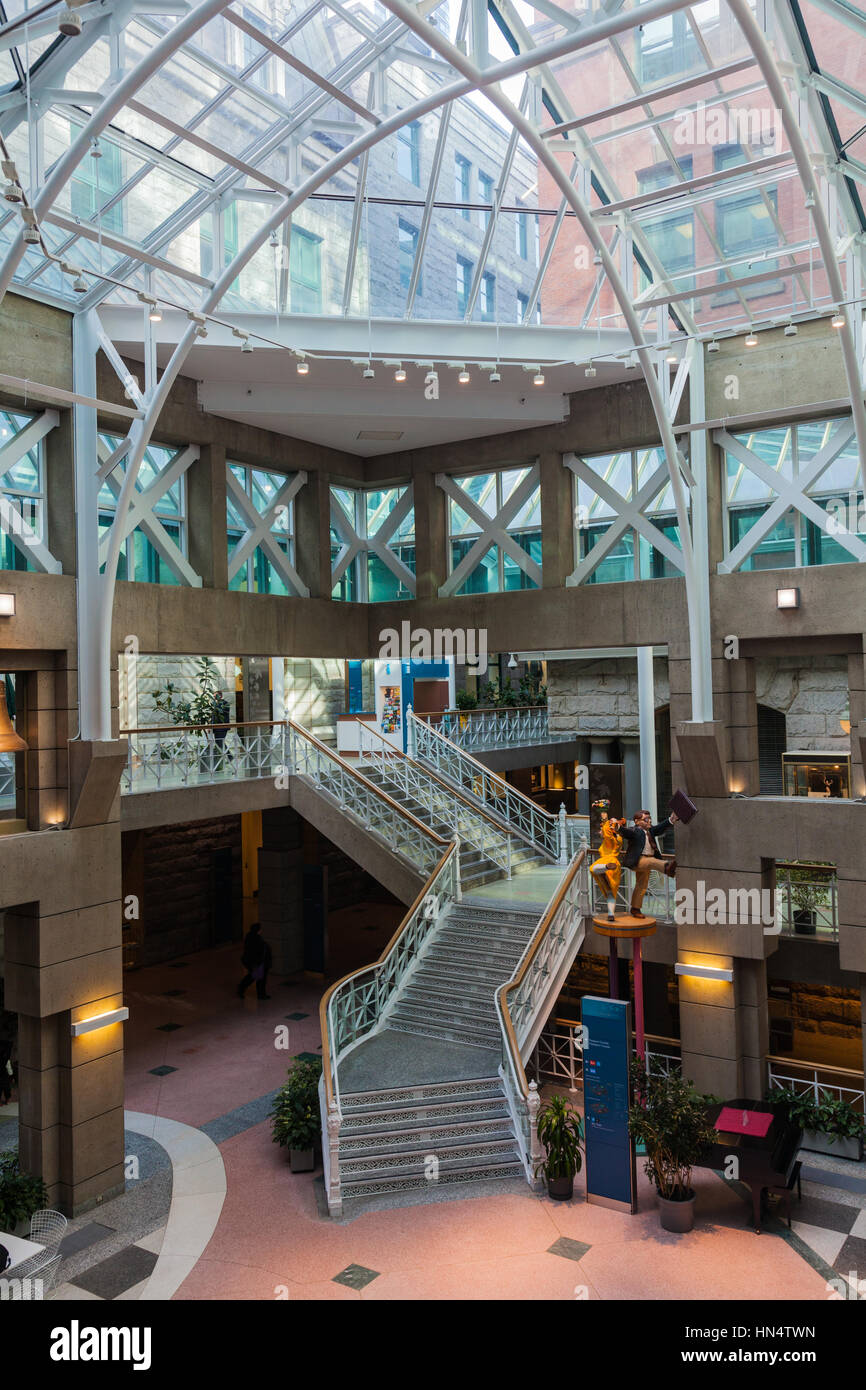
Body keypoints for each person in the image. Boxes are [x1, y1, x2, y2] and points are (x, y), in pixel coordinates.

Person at [619, 808, 678, 917]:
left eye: (650, 819)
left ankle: (635, 908)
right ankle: (667, 868)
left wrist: (671, 820)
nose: (649, 821)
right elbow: (627, 832)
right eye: (646, 819)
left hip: (648, 859)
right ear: (637, 822)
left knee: (642, 885)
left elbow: (660, 828)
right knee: (651, 862)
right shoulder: (636, 831)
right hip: (638, 861)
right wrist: (618, 828)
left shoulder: (650, 831)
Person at [589, 802, 624, 923]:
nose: (600, 832)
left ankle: (605, 867)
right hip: (615, 866)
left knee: (592, 868)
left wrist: (602, 809)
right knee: (610, 892)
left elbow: (606, 825)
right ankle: (611, 914)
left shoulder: (610, 838)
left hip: (608, 861)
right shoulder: (618, 839)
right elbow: (606, 826)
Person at [237, 922, 272, 1000]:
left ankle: (242, 988)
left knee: (255, 977)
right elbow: (258, 952)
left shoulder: (250, 936)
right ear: (258, 930)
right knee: (256, 977)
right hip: (255, 962)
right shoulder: (257, 939)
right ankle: (259, 994)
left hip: (253, 961)